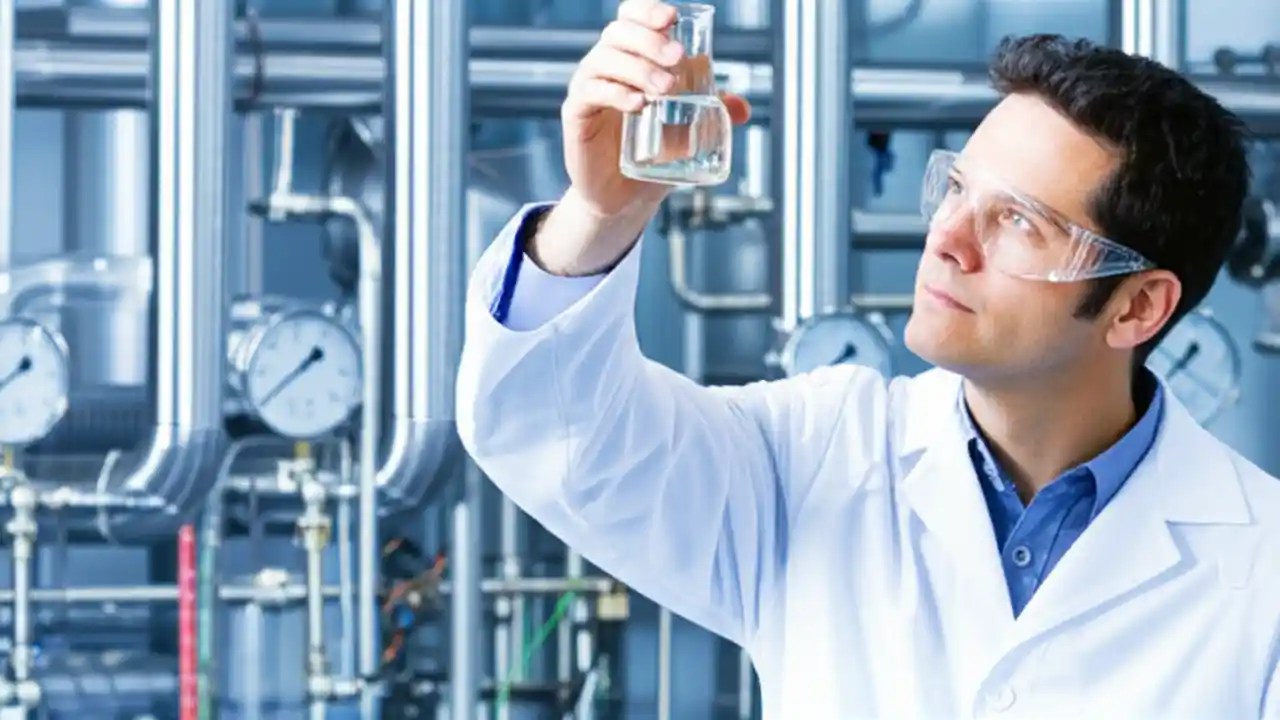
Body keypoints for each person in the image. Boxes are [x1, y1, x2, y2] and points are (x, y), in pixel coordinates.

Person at [456, 1, 1280, 717]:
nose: (948, 240)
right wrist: (599, 215)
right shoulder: (811, 459)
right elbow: (558, 437)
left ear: (1138, 306)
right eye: (957, 189)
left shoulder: (1263, 568)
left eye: (1019, 222)